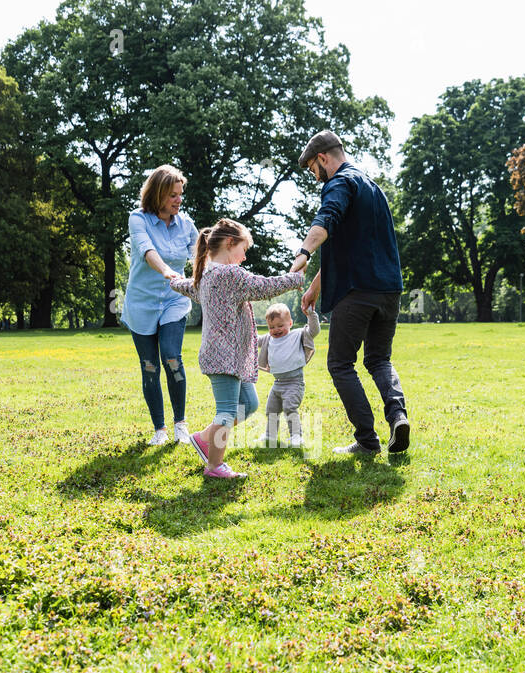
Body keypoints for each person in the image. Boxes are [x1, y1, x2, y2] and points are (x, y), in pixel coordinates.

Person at [290, 130, 410, 456]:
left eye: (314, 170)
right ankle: (398, 417)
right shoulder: (373, 188)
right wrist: (315, 287)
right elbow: (347, 247)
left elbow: (324, 219)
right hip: (388, 291)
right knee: (378, 359)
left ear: (323, 158)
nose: (316, 178)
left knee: (341, 364)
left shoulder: (340, 183)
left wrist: (302, 254)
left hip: (356, 292)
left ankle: (368, 441)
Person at [169, 219, 305, 479]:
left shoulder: (206, 275)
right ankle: (214, 467)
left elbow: (186, 286)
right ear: (230, 243)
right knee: (227, 412)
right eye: (243, 249)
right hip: (223, 357)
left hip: (232, 357)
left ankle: (203, 438)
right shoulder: (228, 275)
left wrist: (173, 281)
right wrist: (295, 279)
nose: (244, 257)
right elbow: (265, 287)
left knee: (250, 404)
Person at [122, 165, 199, 446]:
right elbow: (146, 250)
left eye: (180, 195)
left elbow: (200, 254)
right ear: (157, 194)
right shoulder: (138, 219)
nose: (178, 200)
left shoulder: (185, 223)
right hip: (141, 303)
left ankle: (181, 424)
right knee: (150, 365)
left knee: (171, 356)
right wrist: (168, 272)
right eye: (172, 195)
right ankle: (160, 429)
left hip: (174, 301)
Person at [255, 303, 321, 448]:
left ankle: (296, 436)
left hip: (294, 382)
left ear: (290, 323)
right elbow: (254, 341)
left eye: (280, 325)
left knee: (290, 408)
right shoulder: (268, 338)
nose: (276, 330)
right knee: (271, 409)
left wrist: (311, 314)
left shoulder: (297, 334)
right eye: (272, 327)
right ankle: (270, 435)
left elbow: (314, 330)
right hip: (277, 383)